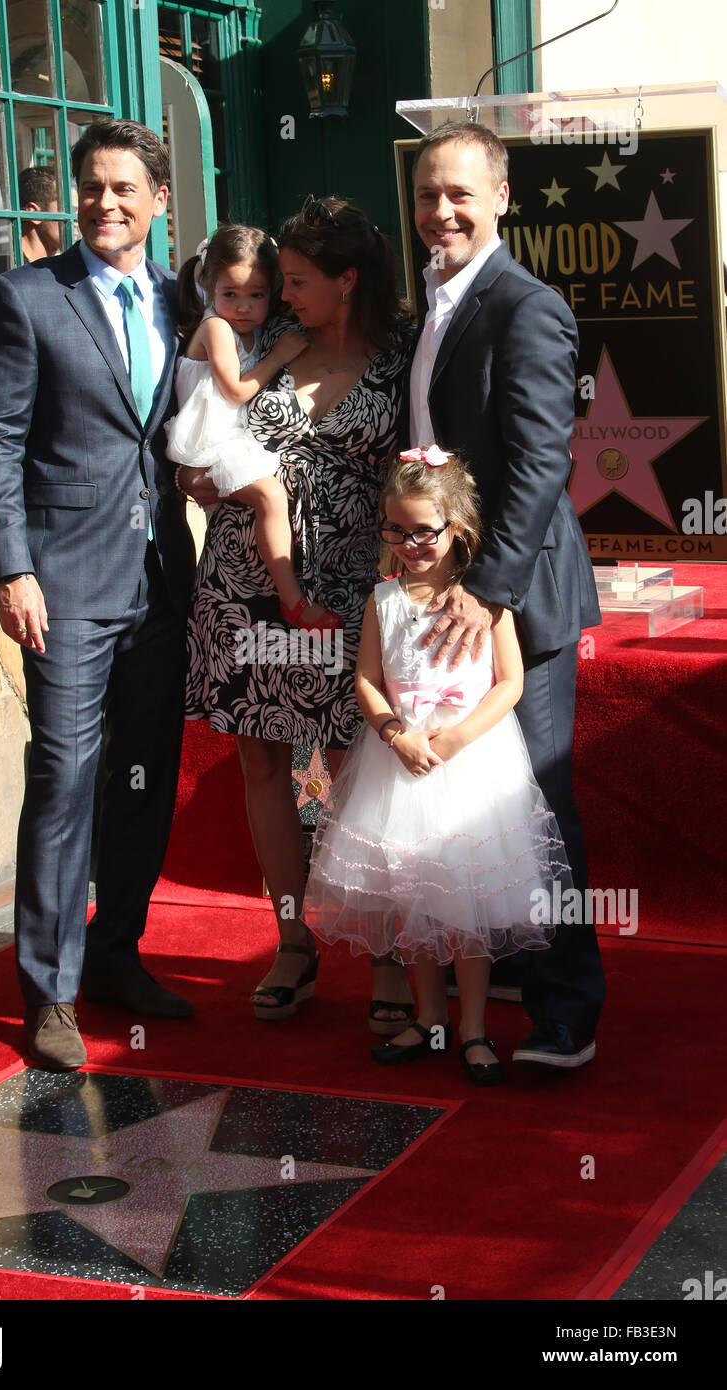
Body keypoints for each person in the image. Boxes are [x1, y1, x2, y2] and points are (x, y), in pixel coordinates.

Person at [0, 119, 196, 1071]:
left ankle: (115, 955)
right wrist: (11, 567)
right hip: (61, 582)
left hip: (159, 581)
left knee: (145, 775)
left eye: (123, 188)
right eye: (90, 187)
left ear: (159, 200)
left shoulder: (185, 304)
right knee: (64, 779)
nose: (105, 203)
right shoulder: (25, 298)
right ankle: (50, 992)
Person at [179, 196, 414, 1027]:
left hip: (349, 592)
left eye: (302, 281)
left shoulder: (404, 360)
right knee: (262, 766)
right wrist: (193, 478)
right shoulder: (270, 346)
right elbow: (204, 431)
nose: (284, 294)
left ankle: (388, 956)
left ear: (348, 282)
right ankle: (292, 941)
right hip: (246, 584)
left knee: (361, 774)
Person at [407, 120, 603, 1069]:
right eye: (426, 194)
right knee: (477, 798)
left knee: (537, 801)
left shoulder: (526, 305)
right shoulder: (435, 303)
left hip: (512, 595)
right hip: (445, 601)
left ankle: (569, 1012)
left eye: (459, 193)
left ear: (501, 198)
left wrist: (486, 589)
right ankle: (517, 973)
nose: (440, 210)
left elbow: (539, 466)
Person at [304, 447, 566, 1083]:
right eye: (395, 529)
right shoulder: (384, 599)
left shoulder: (482, 600)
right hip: (401, 763)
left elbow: (509, 683)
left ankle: (473, 1029)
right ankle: (429, 1018)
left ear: (459, 527)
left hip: (471, 766)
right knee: (415, 902)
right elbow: (367, 679)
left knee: (468, 906)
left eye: (423, 530)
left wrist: (454, 740)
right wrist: (396, 733)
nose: (409, 542)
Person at [166, 224, 340, 632]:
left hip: (230, 438)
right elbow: (235, 390)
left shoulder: (250, 328)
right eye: (231, 294)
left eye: (256, 295)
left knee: (260, 507)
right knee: (270, 496)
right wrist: (279, 355)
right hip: (211, 440)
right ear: (210, 289)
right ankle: (292, 600)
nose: (243, 306)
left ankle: (267, 598)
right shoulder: (216, 328)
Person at [18, 166, 62, 262]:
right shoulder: (7, 270)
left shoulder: (69, 266)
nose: (77, 219)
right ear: (34, 213)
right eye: (68, 209)